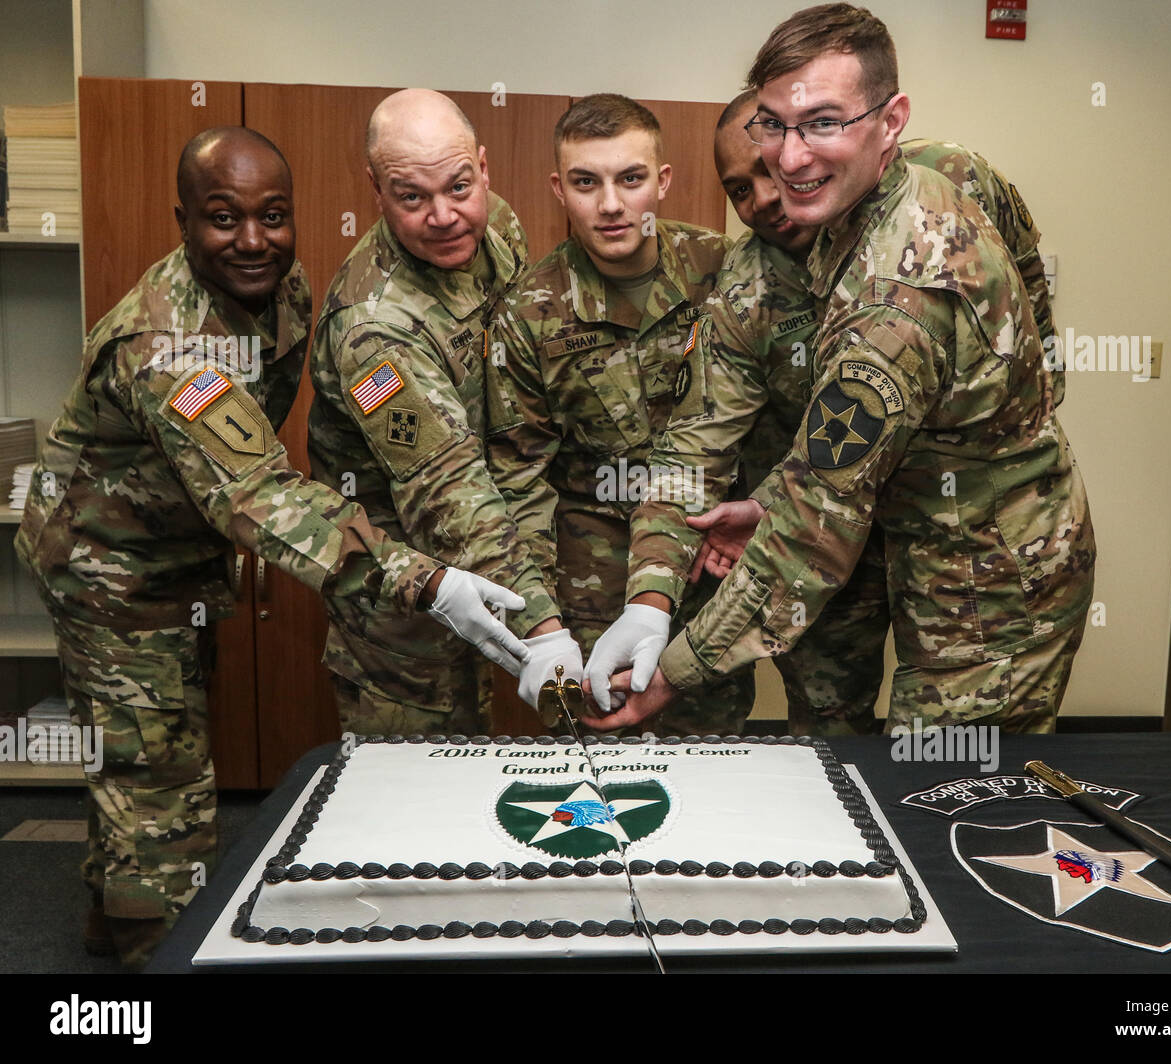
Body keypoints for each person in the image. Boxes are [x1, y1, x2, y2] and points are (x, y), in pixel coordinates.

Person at [16, 127, 528, 968]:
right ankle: (156, 953)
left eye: (273, 216)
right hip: (110, 569)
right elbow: (258, 491)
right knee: (161, 782)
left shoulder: (276, 285)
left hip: (180, 548)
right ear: (182, 221)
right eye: (224, 218)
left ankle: (107, 927)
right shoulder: (167, 349)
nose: (253, 239)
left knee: (141, 748)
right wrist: (424, 579)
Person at [585, 4, 1095, 737]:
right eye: (773, 130)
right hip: (853, 521)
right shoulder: (766, 270)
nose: (785, 168)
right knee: (847, 742)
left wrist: (674, 674)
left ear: (890, 123)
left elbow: (812, 528)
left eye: (823, 123)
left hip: (987, 563)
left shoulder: (897, 293)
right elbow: (693, 447)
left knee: (949, 790)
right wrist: (649, 598)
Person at [485, 93, 754, 734]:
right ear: (559, 188)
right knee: (595, 770)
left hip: (704, 562)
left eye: (630, 179)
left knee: (718, 761)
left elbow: (764, 420)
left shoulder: (723, 270)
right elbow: (518, 481)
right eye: (587, 182)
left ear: (662, 181)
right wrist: (542, 627)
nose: (610, 205)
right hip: (589, 583)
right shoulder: (530, 311)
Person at [309, 89, 568, 737]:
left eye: (459, 186)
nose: (445, 216)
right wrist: (542, 621)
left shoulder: (497, 226)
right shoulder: (375, 327)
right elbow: (446, 487)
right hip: (403, 617)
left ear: (483, 167)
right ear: (375, 188)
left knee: (477, 790)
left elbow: (516, 388)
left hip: (488, 552)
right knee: (406, 803)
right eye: (412, 197)